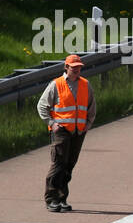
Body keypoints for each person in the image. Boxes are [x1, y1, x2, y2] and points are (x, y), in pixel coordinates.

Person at [37, 54, 95, 212]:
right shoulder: (56, 84)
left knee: (69, 165)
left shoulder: (85, 84)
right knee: (58, 164)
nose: (77, 70)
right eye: (73, 67)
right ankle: (51, 198)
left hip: (79, 131)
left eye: (79, 67)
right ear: (66, 67)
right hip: (61, 130)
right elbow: (42, 106)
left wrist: (87, 125)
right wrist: (52, 123)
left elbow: (91, 108)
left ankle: (62, 198)